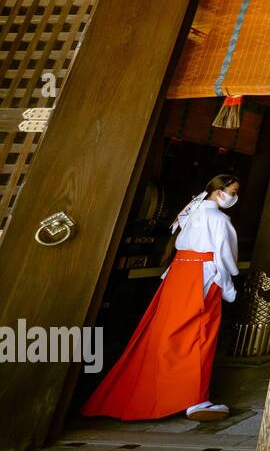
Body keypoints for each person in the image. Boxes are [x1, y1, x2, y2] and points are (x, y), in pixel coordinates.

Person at [82, 175, 241, 423]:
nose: (234, 196)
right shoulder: (219, 219)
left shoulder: (191, 212)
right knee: (200, 334)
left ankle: (157, 394)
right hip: (205, 274)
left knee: (164, 333)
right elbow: (225, 257)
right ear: (219, 192)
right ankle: (194, 398)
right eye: (232, 191)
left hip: (179, 272)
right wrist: (229, 285)